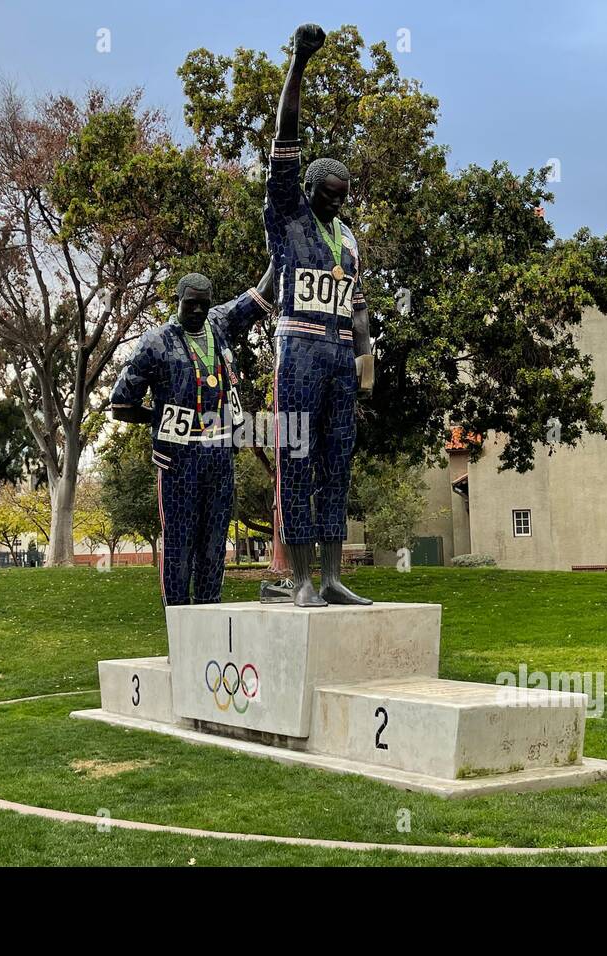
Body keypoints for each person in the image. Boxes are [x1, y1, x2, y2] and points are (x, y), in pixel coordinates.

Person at [264, 22, 374, 607]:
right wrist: (299, 63)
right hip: (298, 351)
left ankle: (331, 577)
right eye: (329, 191)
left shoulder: (350, 240)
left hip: (338, 356)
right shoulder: (288, 217)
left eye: (343, 192)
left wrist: (365, 356)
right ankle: (300, 578)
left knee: (337, 462)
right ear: (309, 188)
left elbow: (358, 304)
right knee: (296, 457)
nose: (338, 199)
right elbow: (285, 138)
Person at [110, 265, 274, 605]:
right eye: (191, 304)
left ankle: (209, 616)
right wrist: (161, 419)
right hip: (179, 460)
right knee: (180, 542)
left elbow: (257, 298)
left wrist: (280, 256)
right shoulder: (155, 342)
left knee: (215, 543)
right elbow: (121, 404)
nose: (198, 310)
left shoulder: (220, 323)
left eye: (203, 303)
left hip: (220, 455)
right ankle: (180, 623)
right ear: (178, 302)